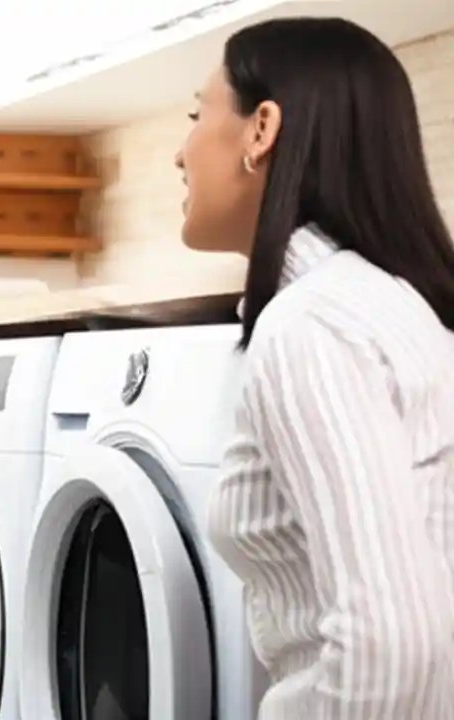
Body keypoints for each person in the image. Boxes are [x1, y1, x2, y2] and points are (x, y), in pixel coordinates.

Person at [175, 16, 454, 719]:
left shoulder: (312, 326)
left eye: (196, 115)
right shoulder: (385, 302)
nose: (180, 154)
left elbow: (390, 640)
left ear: (261, 130)